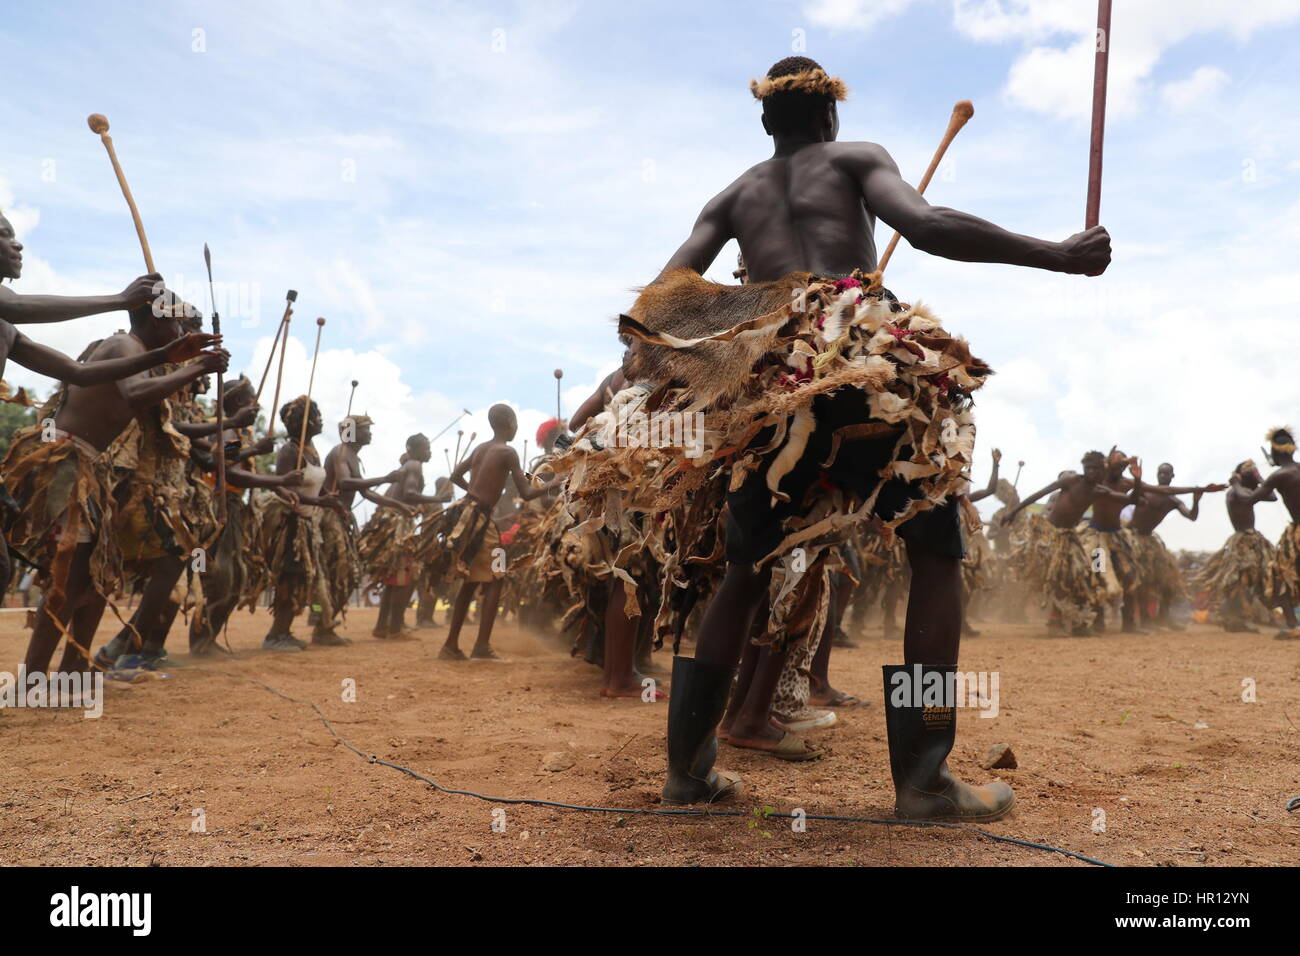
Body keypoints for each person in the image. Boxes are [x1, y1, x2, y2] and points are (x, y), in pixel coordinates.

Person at [642, 56, 1108, 817]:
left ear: (766, 122)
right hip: (863, 372)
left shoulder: (731, 195)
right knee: (933, 554)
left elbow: (665, 297)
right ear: (830, 116)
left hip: (773, 382)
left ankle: (688, 775)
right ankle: (923, 782)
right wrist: (1058, 254)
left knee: (746, 568)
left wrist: (740, 332)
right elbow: (923, 226)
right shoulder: (856, 156)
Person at [3, 288, 226, 675]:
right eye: (174, 323)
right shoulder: (124, 344)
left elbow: (165, 423)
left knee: (96, 577)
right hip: (66, 463)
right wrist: (196, 367)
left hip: (91, 469)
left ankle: (75, 673)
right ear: (156, 321)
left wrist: (190, 372)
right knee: (68, 578)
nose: (178, 331)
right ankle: (35, 676)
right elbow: (137, 393)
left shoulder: (139, 354)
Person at [438, 405, 555, 660]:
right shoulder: (508, 452)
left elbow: (456, 474)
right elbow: (525, 493)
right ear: (511, 423)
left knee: (470, 581)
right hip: (478, 518)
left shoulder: (481, 448)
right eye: (516, 423)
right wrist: (554, 484)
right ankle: (480, 646)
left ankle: (451, 645)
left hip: (466, 514)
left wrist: (473, 493)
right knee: (497, 577)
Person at [1002, 451, 1143, 635]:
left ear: (1102, 471)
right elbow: (1039, 494)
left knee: (1084, 578)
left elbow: (1132, 499)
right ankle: (1056, 623)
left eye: (1095, 469)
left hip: (1072, 537)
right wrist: (1012, 512)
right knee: (1063, 576)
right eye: (1088, 468)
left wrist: (1137, 480)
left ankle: (1079, 623)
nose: (1091, 472)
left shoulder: (1100, 491)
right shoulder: (1071, 481)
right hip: (1050, 535)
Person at [244, 396, 345, 651]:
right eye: (318, 416)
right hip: (290, 525)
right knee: (289, 578)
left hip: (308, 524)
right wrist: (321, 503)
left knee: (301, 579)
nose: (322, 420)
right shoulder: (290, 450)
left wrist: (328, 499)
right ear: (306, 422)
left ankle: (284, 631)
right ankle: (274, 636)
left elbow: (316, 489)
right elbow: (283, 489)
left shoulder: (313, 451)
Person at [314, 414, 408, 644]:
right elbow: (345, 484)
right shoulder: (341, 453)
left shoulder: (352, 456)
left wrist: (398, 505)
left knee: (346, 575)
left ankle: (323, 625)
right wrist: (385, 478)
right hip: (330, 519)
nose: (370, 433)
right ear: (353, 432)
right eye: (366, 429)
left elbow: (366, 493)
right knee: (338, 574)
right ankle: (321, 627)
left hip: (342, 520)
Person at [1198, 458, 1297, 635]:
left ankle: (1248, 618)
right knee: (1238, 582)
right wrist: (1236, 483)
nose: (1256, 475)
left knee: (1267, 578)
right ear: (1242, 476)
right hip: (1242, 541)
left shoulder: (1248, 490)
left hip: (1255, 540)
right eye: (1253, 473)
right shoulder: (1234, 492)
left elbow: (1273, 497)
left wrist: (1260, 480)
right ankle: (1234, 619)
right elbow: (1246, 499)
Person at [359, 433, 440, 639]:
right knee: (406, 574)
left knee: (392, 577)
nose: (429, 452)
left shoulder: (408, 465)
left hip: (394, 522)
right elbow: (410, 494)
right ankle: (395, 628)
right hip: (399, 527)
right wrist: (437, 498)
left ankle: (382, 626)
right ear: (413, 449)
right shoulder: (414, 465)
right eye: (426, 447)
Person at [1128, 462, 1219, 629]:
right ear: (1156, 474)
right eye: (1160, 473)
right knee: (1136, 579)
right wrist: (1136, 481)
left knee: (1169, 579)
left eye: (1166, 473)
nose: (1163, 476)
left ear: (1172, 476)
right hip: (1130, 539)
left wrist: (1196, 500)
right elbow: (1131, 499)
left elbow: (1192, 516)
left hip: (1149, 541)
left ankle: (1163, 617)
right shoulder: (1145, 490)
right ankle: (1137, 619)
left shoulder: (1173, 501)